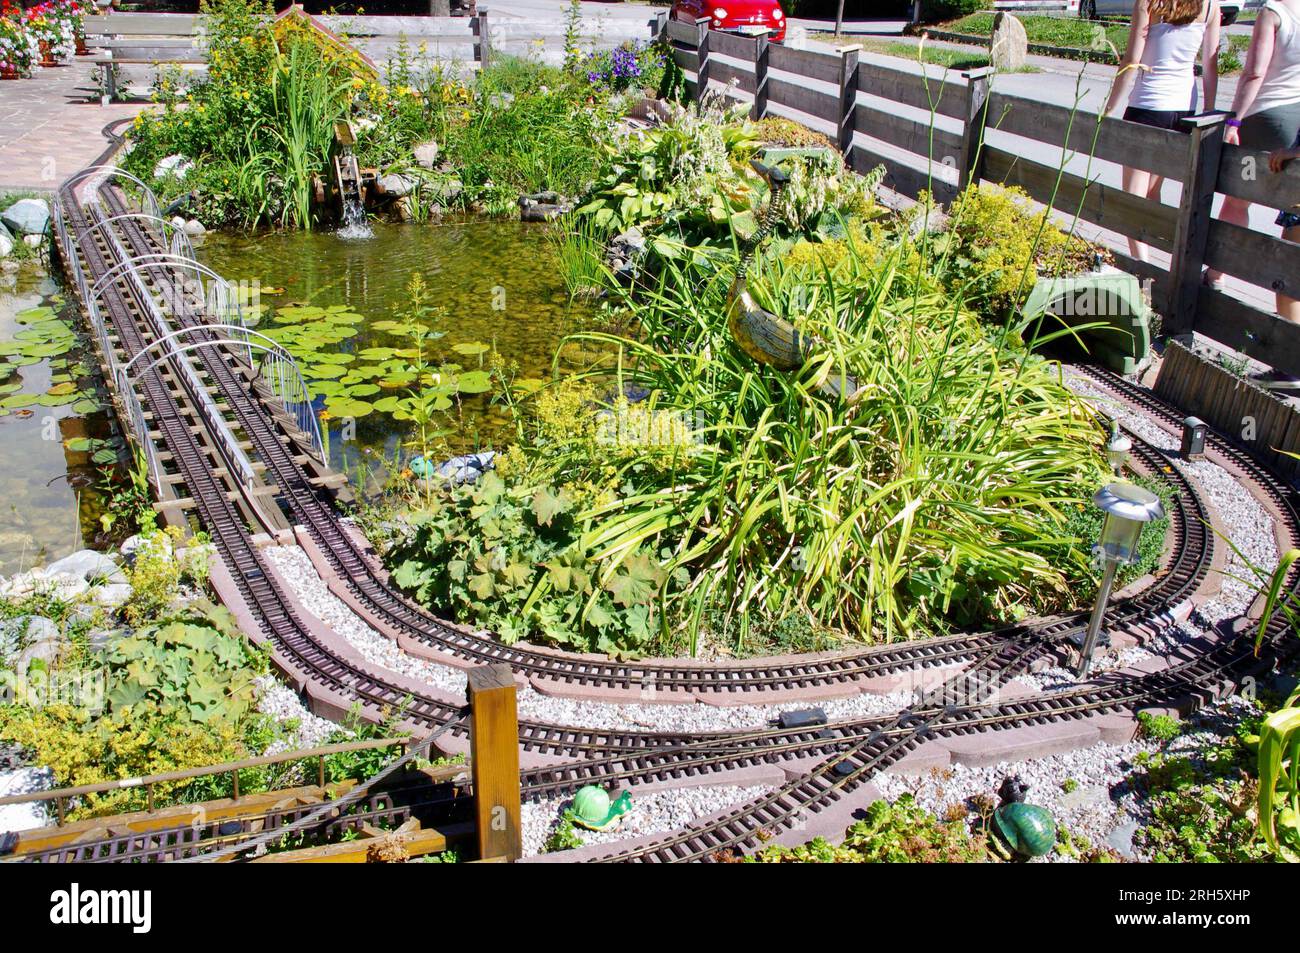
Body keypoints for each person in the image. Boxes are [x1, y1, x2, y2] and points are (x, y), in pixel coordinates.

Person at [1104, 0, 1220, 262]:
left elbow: (1132, 61)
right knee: (1152, 193)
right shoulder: (1211, 6)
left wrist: (1109, 110)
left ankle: (1144, 269)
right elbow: (1210, 66)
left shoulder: (1148, 3)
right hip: (1184, 112)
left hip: (1148, 107)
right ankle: (1153, 264)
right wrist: (1210, 111)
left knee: (1133, 197)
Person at [1208, 0, 1300, 322]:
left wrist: (1234, 121)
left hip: (1266, 117)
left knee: (1237, 200)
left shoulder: (1273, 12)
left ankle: (1217, 275)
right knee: (1294, 208)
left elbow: (1254, 72)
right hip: (1297, 124)